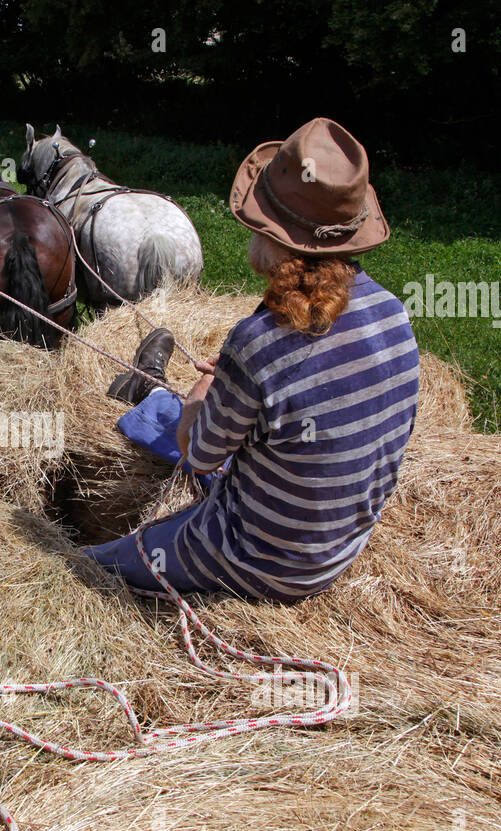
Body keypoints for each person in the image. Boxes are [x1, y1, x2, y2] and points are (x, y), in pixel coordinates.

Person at [82, 118, 419, 603]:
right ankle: (151, 391)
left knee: (97, 563)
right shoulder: (393, 312)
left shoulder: (257, 342)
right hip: (342, 548)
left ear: (277, 235)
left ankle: (152, 392)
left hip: (261, 561)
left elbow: (199, 458)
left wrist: (204, 393)